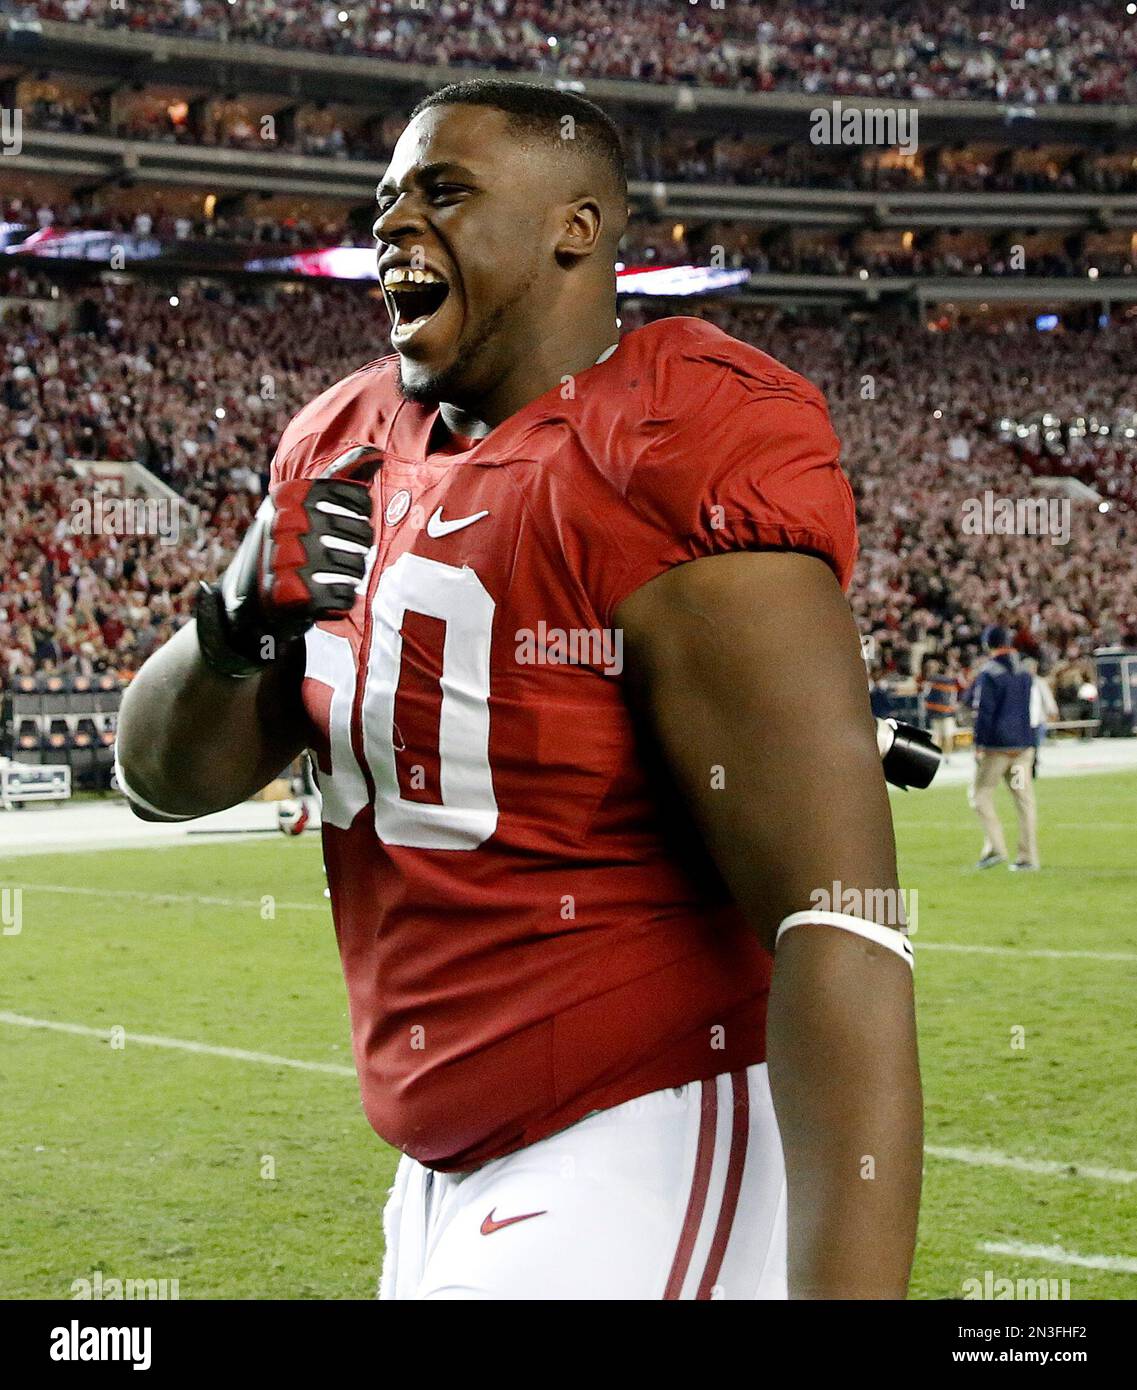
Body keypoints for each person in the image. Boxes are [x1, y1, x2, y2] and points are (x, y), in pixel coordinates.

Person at [116, 81, 921, 1300]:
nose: (396, 225)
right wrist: (232, 626)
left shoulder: (671, 444)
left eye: (444, 192)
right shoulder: (343, 444)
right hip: (438, 1171)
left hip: (642, 1127)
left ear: (575, 228)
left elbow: (841, 926)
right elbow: (159, 783)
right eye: (387, 200)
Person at [966, 625, 1039, 870]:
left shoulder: (989, 673)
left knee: (981, 795)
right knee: (1023, 800)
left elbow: (983, 712)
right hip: (1021, 749)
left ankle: (996, 848)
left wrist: (979, 744)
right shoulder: (1025, 672)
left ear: (989, 645)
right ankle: (1027, 857)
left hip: (997, 749)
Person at [922, 655, 960, 761]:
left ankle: (945, 757)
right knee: (939, 737)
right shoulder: (934, 681)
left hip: (945, 713)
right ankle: (938, 757)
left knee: (946, 736)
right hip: (939, 713)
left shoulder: (938, 681)